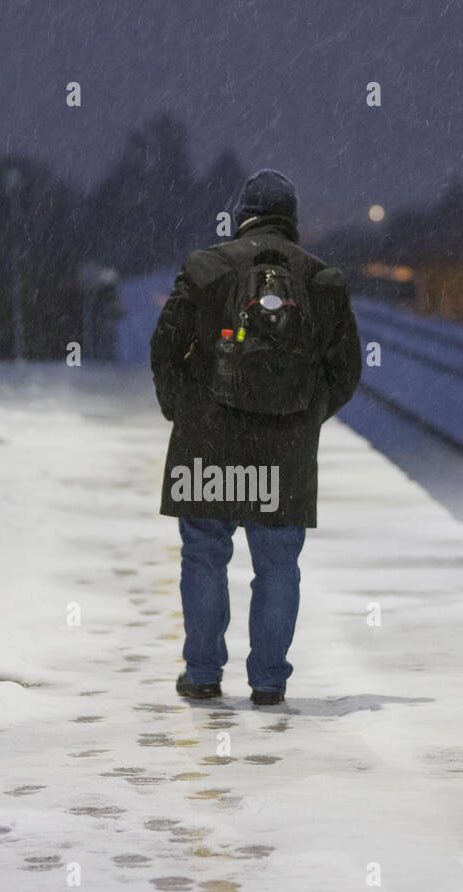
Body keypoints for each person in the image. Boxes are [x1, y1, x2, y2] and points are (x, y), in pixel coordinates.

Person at [150, 168, 362, 705]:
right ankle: (268, 682)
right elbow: (346, 370)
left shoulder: (204, 269)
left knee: (203, 554)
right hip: (283, 451)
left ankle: (202, 673)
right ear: (291, 221)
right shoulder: (322, 281)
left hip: (207, 443)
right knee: (277, 566)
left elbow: (164, 347)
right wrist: (303, 416)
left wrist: (184, 409)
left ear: (241, 217)